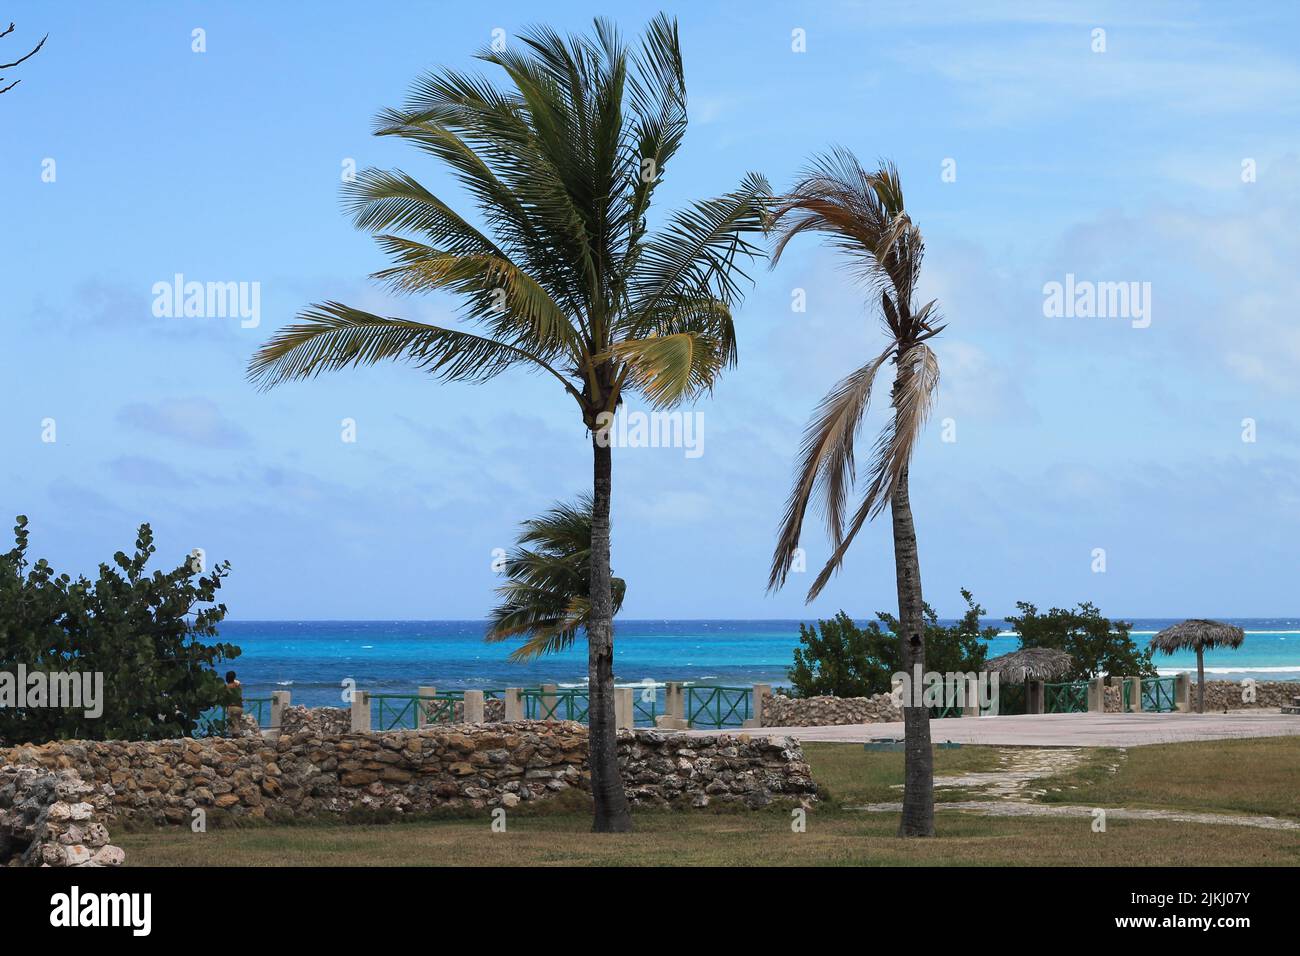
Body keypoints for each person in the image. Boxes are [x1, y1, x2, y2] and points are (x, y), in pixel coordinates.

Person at [224, 671, 243, 736]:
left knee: (232, 725)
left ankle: (235, 739)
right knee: (237, 723)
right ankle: (237, 738)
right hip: (239, 707)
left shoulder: (227, 687)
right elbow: (238, 683)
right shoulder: (237, 686)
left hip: (231, 707)